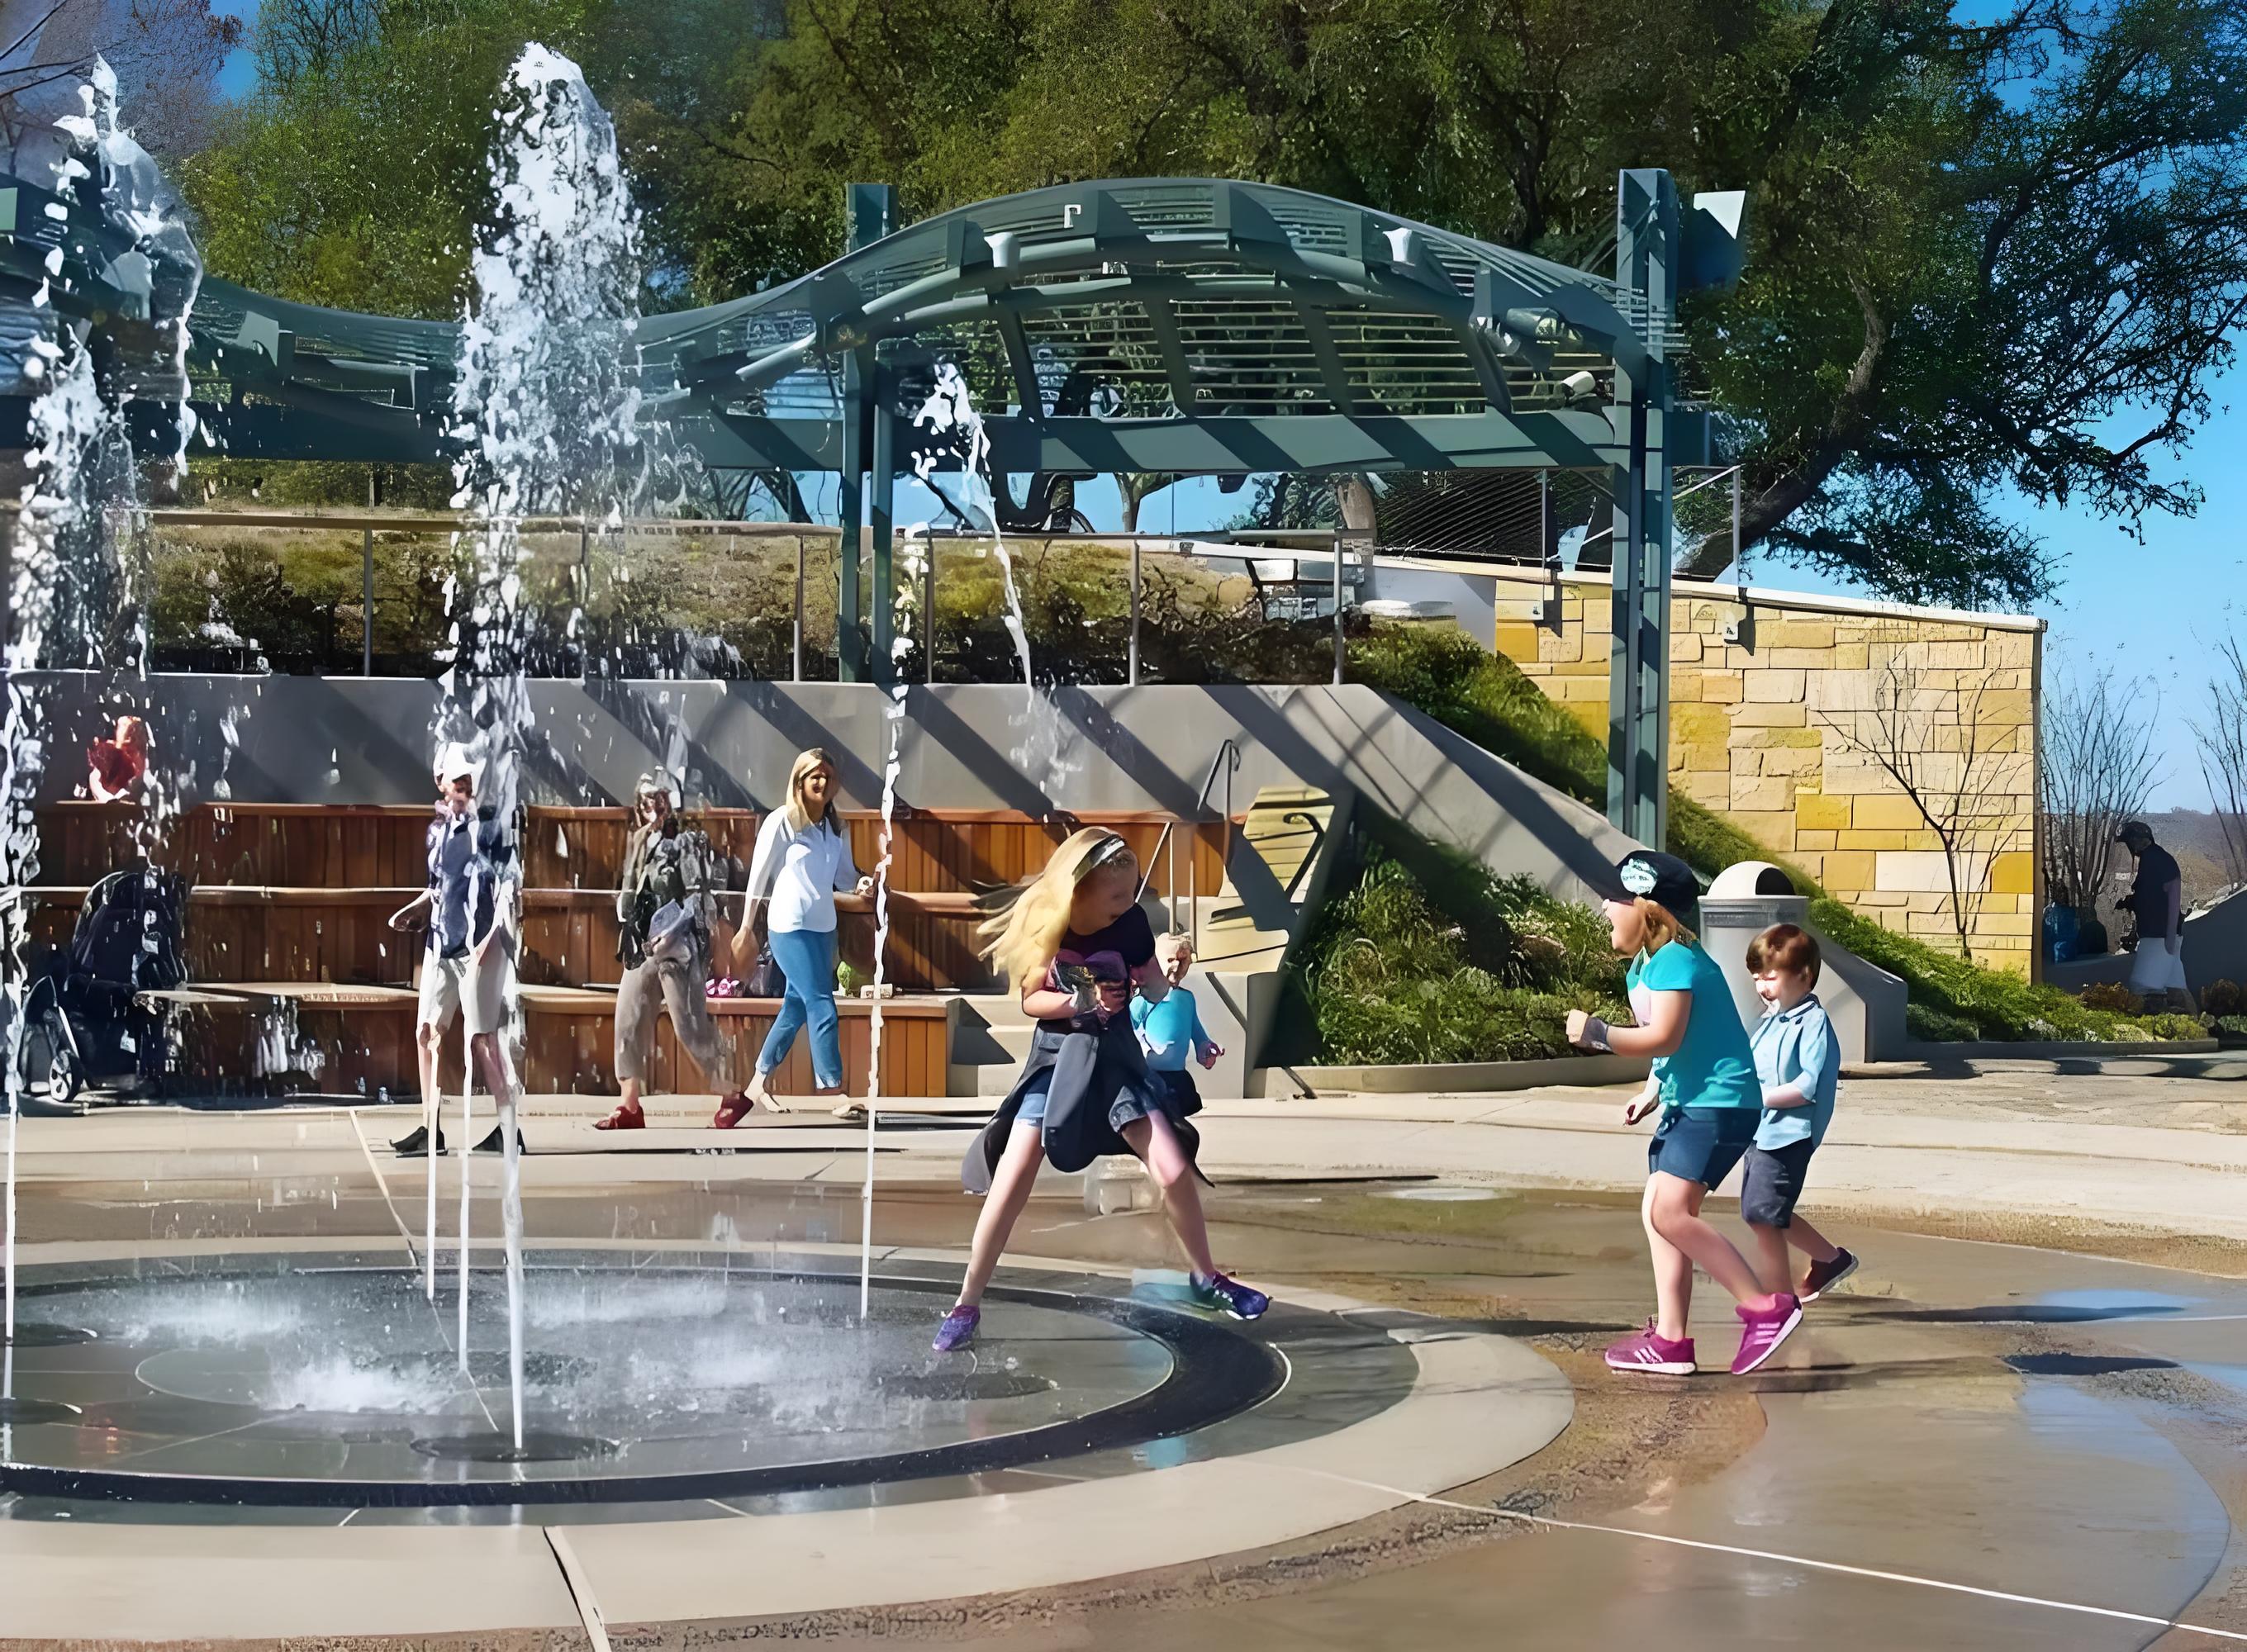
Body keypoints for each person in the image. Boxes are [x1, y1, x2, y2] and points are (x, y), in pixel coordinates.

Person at [933, 829, 1268, 1354]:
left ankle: (1206, 1278)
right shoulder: (1052, 925)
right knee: (1014, 1175)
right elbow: (1031, 1002)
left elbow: (1155, 983)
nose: (1129, 906)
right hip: (1059, 1060)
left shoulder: (1132, 923)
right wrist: (1082, 1001)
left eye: (1132, 893)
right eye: (1116, 898)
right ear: (1079, 893)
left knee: (1173, 1167)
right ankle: (967, 1301)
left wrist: (1173, 1005)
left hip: (1115, 1059)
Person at [1566, 850, 1803, 1378]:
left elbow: (1664, 1034)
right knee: (1657, 1212)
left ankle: (1765, 1309)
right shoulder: (1644, 966)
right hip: (1690, 1101)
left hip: (1718, 1103)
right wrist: (1653, 1089)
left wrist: (1599, 1034)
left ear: (1649, 910)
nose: (1606, 907)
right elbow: (1671, 1049)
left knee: (1671, 1212)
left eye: (1617, 899)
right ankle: (1671, 1340)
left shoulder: (1676, 960)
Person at [596, 771, 749, 1132]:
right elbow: (629, 886)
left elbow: (698, 897)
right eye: (648, 800)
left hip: (678, 946)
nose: (654, 807)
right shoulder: (637, 840)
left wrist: (676, 931)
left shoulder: (687, 842)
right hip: (642, 944)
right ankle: (629, 1104)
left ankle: (730, 1091)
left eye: (660, 800)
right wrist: (625, 916)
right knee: (628, 1019)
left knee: (689, 1025)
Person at [389, 745, 521, 1158]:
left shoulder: (491, 828)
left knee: (483, 1040)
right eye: (456, 778)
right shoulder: (437, 832)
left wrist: (493, 939)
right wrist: (415, 912)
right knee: (427, 1032)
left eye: (468, 778)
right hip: (441, 945)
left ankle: (508, 1129)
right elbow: (439, 890)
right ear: (440, 782)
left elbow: (508, 888)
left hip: (478, 947)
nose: (463, 784)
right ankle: (432, 1129)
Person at [739, 748, 873, 1123]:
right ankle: (834, 1091)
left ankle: (757, 1083)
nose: (821, 782)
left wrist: (862, 884)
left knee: (795, 1007)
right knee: (821, 1004)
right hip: (789, 927)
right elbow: (759, 874)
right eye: (814, 775)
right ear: (799, 781)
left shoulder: (835, 828)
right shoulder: (783, 821)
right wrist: (746, 927)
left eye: (827, 777)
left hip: (823, 927)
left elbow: (844, 876)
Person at [1739, 923, 1859, 1305]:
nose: (1762, 986)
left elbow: (1807, 1085)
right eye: (1757, 977)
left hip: (1791, 1133)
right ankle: (1829, 1260)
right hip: (1760, 1131)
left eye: (1771, 977)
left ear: (1804, 975)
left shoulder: (1813, 1023)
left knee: (1763, 1212)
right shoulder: (1770, 1021)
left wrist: (1761, 1098)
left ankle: (1777, 1298)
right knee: (1765, 1209)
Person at [1130, 932, 1222, 1110]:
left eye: (1182, 959)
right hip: (1151, 1078)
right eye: (1171, 959)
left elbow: (1198, 1034)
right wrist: (1143, 1049)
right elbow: (1126, 1033)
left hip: (1179, 1079)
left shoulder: (1187, 999)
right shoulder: (1142, 1001)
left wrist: (1207, 1049)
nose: (1177, 965)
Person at [2116, 820, 2192, 1013]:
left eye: (2129, 842)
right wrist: (2131, 902)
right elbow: (2152, 896)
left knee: (2142, 987)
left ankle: (2156, 1035)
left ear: (2137, 840)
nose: (2129, 847)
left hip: (2158, 937)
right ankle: (2192, 1031)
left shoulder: (2153, 859)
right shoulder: (2158, 858)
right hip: (2164, 935)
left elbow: (2173, 894)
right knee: (2176, 989)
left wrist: (2168, 936)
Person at [87, 714, 150, 802]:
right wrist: (112, 800)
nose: (131, 733)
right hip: (110, 805)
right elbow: (95, 779)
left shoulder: (145, 761)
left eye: (135, 729)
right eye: (124, 726)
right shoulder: (107, 753)